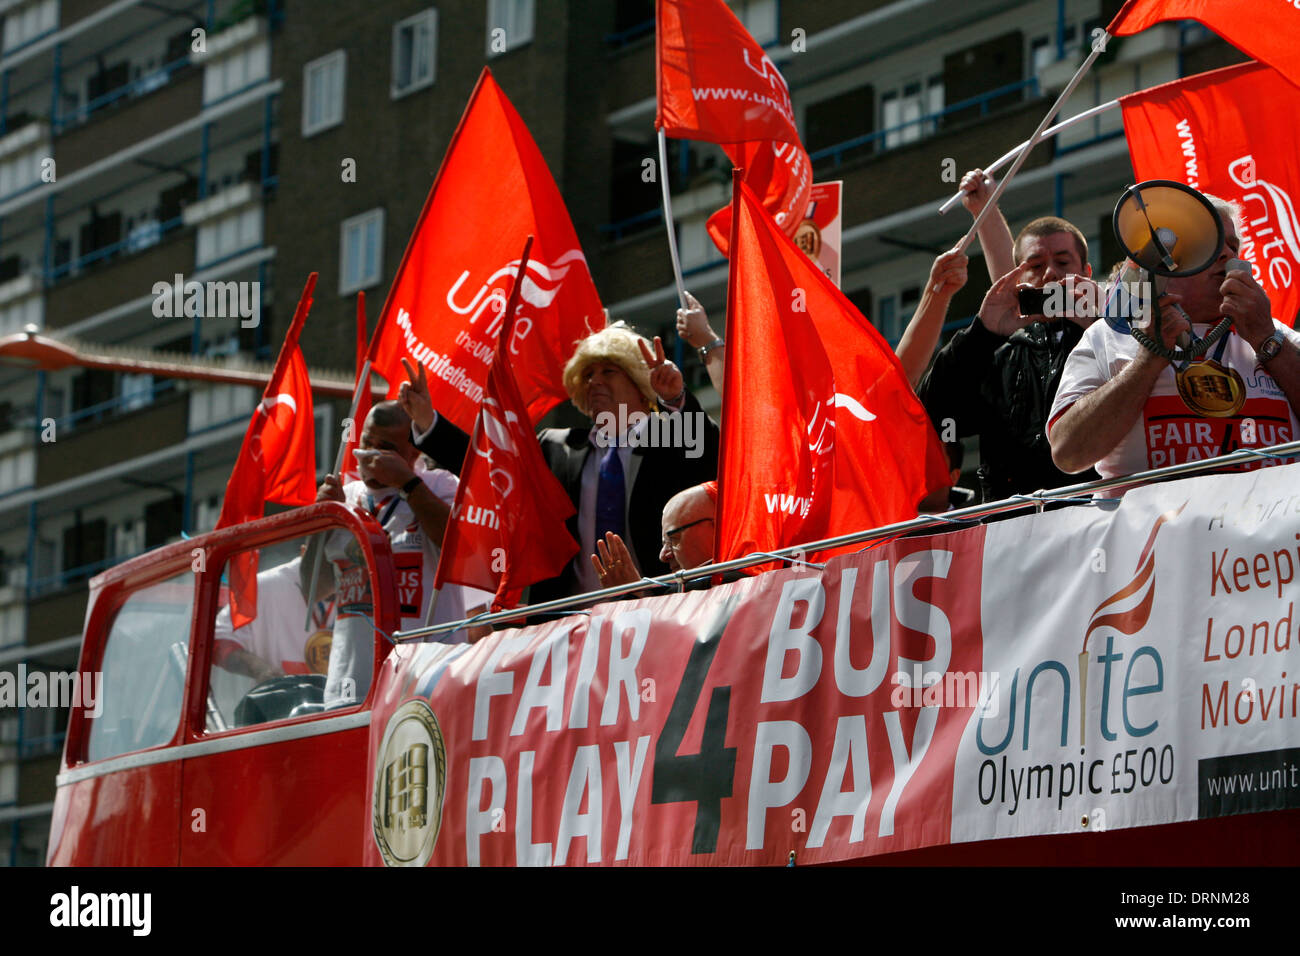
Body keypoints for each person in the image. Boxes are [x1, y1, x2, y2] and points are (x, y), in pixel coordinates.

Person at [402, 323, 721, 603]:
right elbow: (493, 473)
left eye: (608, 371)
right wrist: (429, 423)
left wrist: (676, 398)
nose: (594, 381)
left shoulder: (673, 436)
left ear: (641, 384)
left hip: (659, 610)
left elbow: (710, 452)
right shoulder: (556, 446)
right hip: (570, 622)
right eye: (587, 375)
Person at [1048, 198, 1300, 481]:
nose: (1227, 254)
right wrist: (1147, 362)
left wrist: (1267, 339)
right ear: (1165, 264)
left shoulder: (1279, 336)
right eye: (1210, 243)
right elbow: (1069, 453)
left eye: (1233, 245)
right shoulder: (1108, 337)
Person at [918, 209, 1101, 502]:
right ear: (1019, 280)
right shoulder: (995, 350)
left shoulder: (1113, 337)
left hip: (1095, 522)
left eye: (1063, 262)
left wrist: (1100, 332)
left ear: (1087, 274)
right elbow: (935, 419)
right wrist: (983, 332)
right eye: (1036, 265)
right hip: (1013, 531)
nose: (1051, 273)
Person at [315, 401, 491, 706]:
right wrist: (323, 520)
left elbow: (461, 552)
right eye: (366, 443)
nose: (369, 454)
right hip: (350, 689)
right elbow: (313, 590)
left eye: (385, 447)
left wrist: (408, 484)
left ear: (414, 452)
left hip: (427, 682)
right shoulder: (346, 497)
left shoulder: (441, 485)